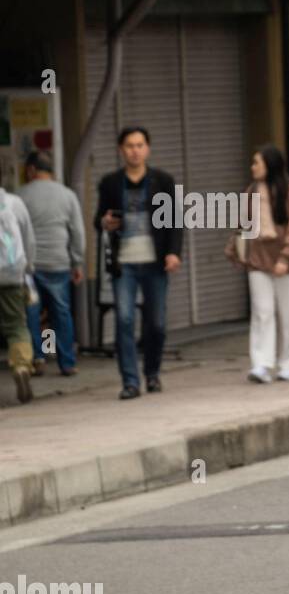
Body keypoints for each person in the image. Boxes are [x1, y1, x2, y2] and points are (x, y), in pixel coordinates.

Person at [93, 126, 182, 400]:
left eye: (140, 145)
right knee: (124, 319)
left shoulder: (164, 181)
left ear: (148, 148)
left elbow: (175, 221)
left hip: (154, 262)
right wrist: (104, 222)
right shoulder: (110, 182)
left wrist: (173, 253)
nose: (135, 150)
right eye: (130, 145)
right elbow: (98, 219)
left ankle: (152, 373)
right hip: (125, 263)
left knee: (156, 323)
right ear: (121, 150)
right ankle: (130, 381)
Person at [224, 145, 289, 382]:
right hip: (258, 259)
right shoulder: (250, 192)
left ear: (269, 165)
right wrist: (234, 250)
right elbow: (244, 225)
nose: (252, 167)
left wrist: (286, 257)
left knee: (288, 314)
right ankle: (261, 363)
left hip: (285, 261)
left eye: (256, 162)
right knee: (262, 311)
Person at [19, 150, 85, 377]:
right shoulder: (67, 195)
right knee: (61, 313)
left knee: (32, 313)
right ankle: (67, 363)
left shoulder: (21, 196)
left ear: (31, 170)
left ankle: (38, 357)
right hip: (59, 264)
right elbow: (77, 232)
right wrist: (77, 262)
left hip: (31, 266)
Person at [0, 187, 36, 403]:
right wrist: (29, 267)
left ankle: (45, 352)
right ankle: (23, 365)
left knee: (48, 325)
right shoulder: (14, 203)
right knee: (17, 326)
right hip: (12, 274)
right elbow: (28, 239)